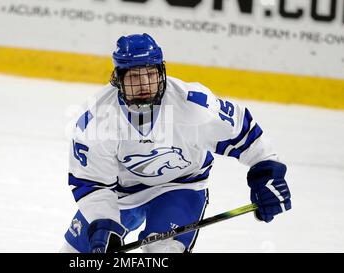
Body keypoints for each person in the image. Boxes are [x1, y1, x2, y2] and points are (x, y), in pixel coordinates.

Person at [60, 33, 291, 253]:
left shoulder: (193, 105)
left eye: (150, 74)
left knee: (163, 252)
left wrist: (268, 173)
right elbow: (91, 182)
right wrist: (104, 222)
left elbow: (245, 134)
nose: (144, 84)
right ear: (118, 79)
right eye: (134, 77)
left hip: (180, 186)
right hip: (121, 192)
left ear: (161, 73)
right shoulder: (97, 119)